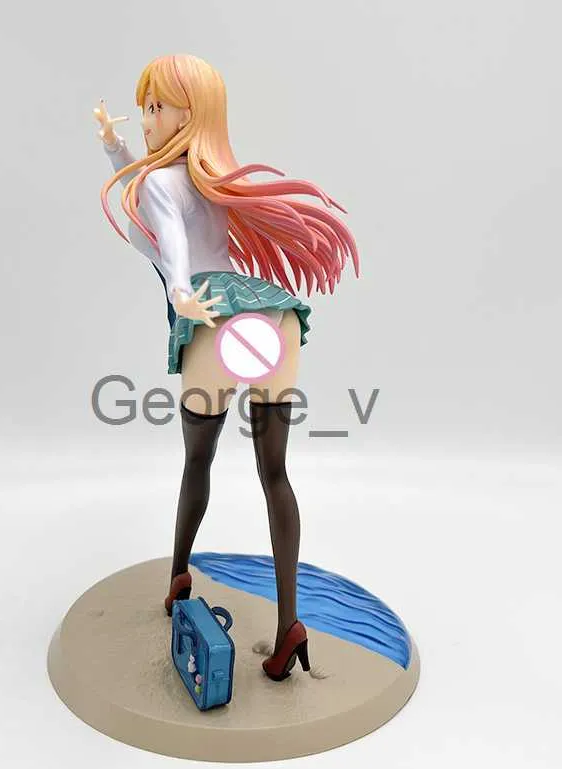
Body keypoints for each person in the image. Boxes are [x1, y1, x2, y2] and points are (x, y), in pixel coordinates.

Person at [94, 54, 359, 681]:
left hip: (212, 315)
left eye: (157, 108)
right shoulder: (210, 179)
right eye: (146, 108)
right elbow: (152, 202)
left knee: (198, 462)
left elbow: (169, 241)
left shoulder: (163, 184)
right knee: (276, 473)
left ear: (189, 115)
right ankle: (290, 626)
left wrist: (183, 294)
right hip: (272, 314)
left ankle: (178, 576)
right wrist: (114, 146)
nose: (147, 119)